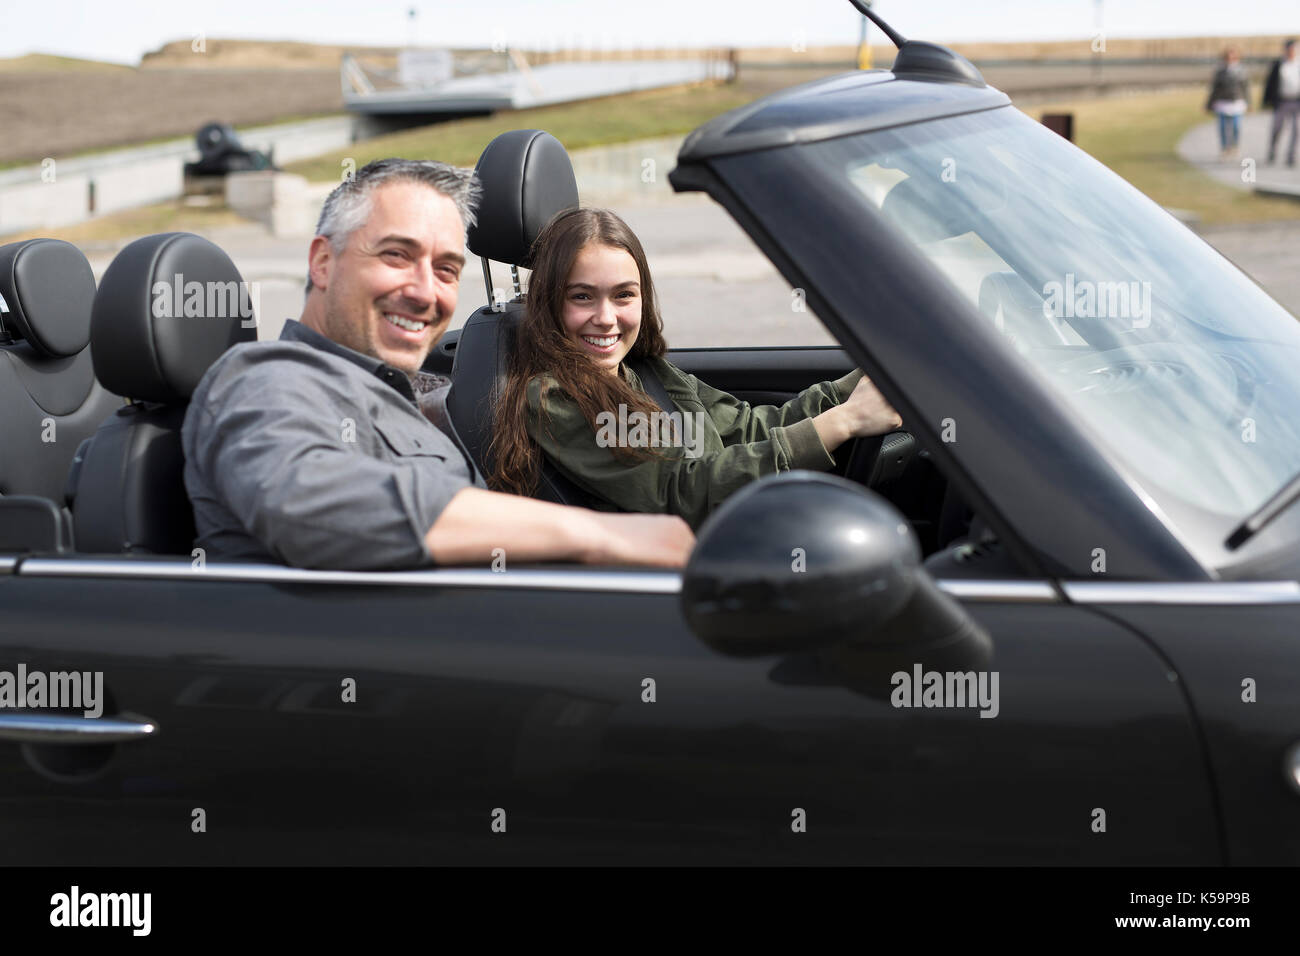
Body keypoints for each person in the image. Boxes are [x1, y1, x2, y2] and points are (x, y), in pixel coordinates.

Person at [182, 160, 694, 570]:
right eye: (397, 256)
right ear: (322, 262)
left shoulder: (407, 392)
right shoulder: (266, 380)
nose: (426, 292)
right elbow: (311, 509)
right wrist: (598, 534)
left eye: (446, 269)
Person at [489, 207, 903, 529]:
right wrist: (843, 423)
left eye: (623, 295)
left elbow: (748, 427)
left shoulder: (647, 374)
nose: (606, 317)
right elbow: (679, 491)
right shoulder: (554, 398)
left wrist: (875, 375)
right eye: (582, 297)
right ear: (548, 303)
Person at [1206, 47, 1249, 159]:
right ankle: (1225, 148)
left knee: (1236, 126)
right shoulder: (1220, 72)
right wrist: (1209, 104)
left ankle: (1234, 146)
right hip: (1222, 103)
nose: (1231, 59)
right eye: (1228, 57)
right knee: (1222, 128)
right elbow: (1214, 89)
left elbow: (1245, 88)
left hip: (1236, 102)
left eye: (1233, 56)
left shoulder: (1242, 71)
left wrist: (1248, 102)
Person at [1263, 38, 1300, 166]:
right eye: (1289, 49)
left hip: (1297, 101)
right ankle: (1273, 151)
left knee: (1297, 129)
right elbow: (1270, 84)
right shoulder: (1278, 64)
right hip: (1282, 101)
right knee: (1277, 128)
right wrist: (1266, 101)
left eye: (1294, 49)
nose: (1292, 51)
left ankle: (1291, 156)